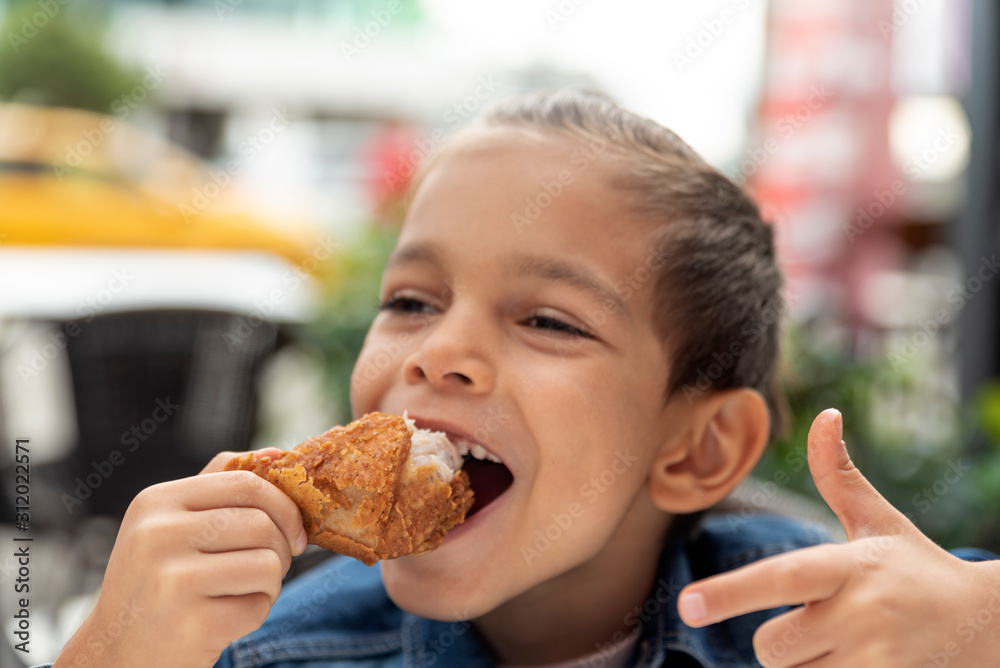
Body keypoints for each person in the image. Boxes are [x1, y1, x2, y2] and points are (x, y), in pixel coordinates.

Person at [42, 90, 999, 668]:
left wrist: (977, 629)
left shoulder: (823, 629)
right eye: (412, 301)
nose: (435, 350)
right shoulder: (268, 648)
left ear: (696, 447)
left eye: (547, 319)